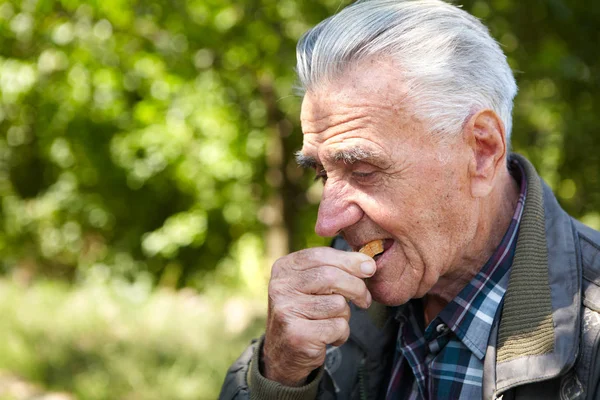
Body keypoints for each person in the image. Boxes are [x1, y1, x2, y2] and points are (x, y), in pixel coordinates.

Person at [220, 1, 600, 399]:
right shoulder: (337, 297)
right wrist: (280, 377)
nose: (327, 222)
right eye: (321, 173)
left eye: (364, 170)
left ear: (482, 151)